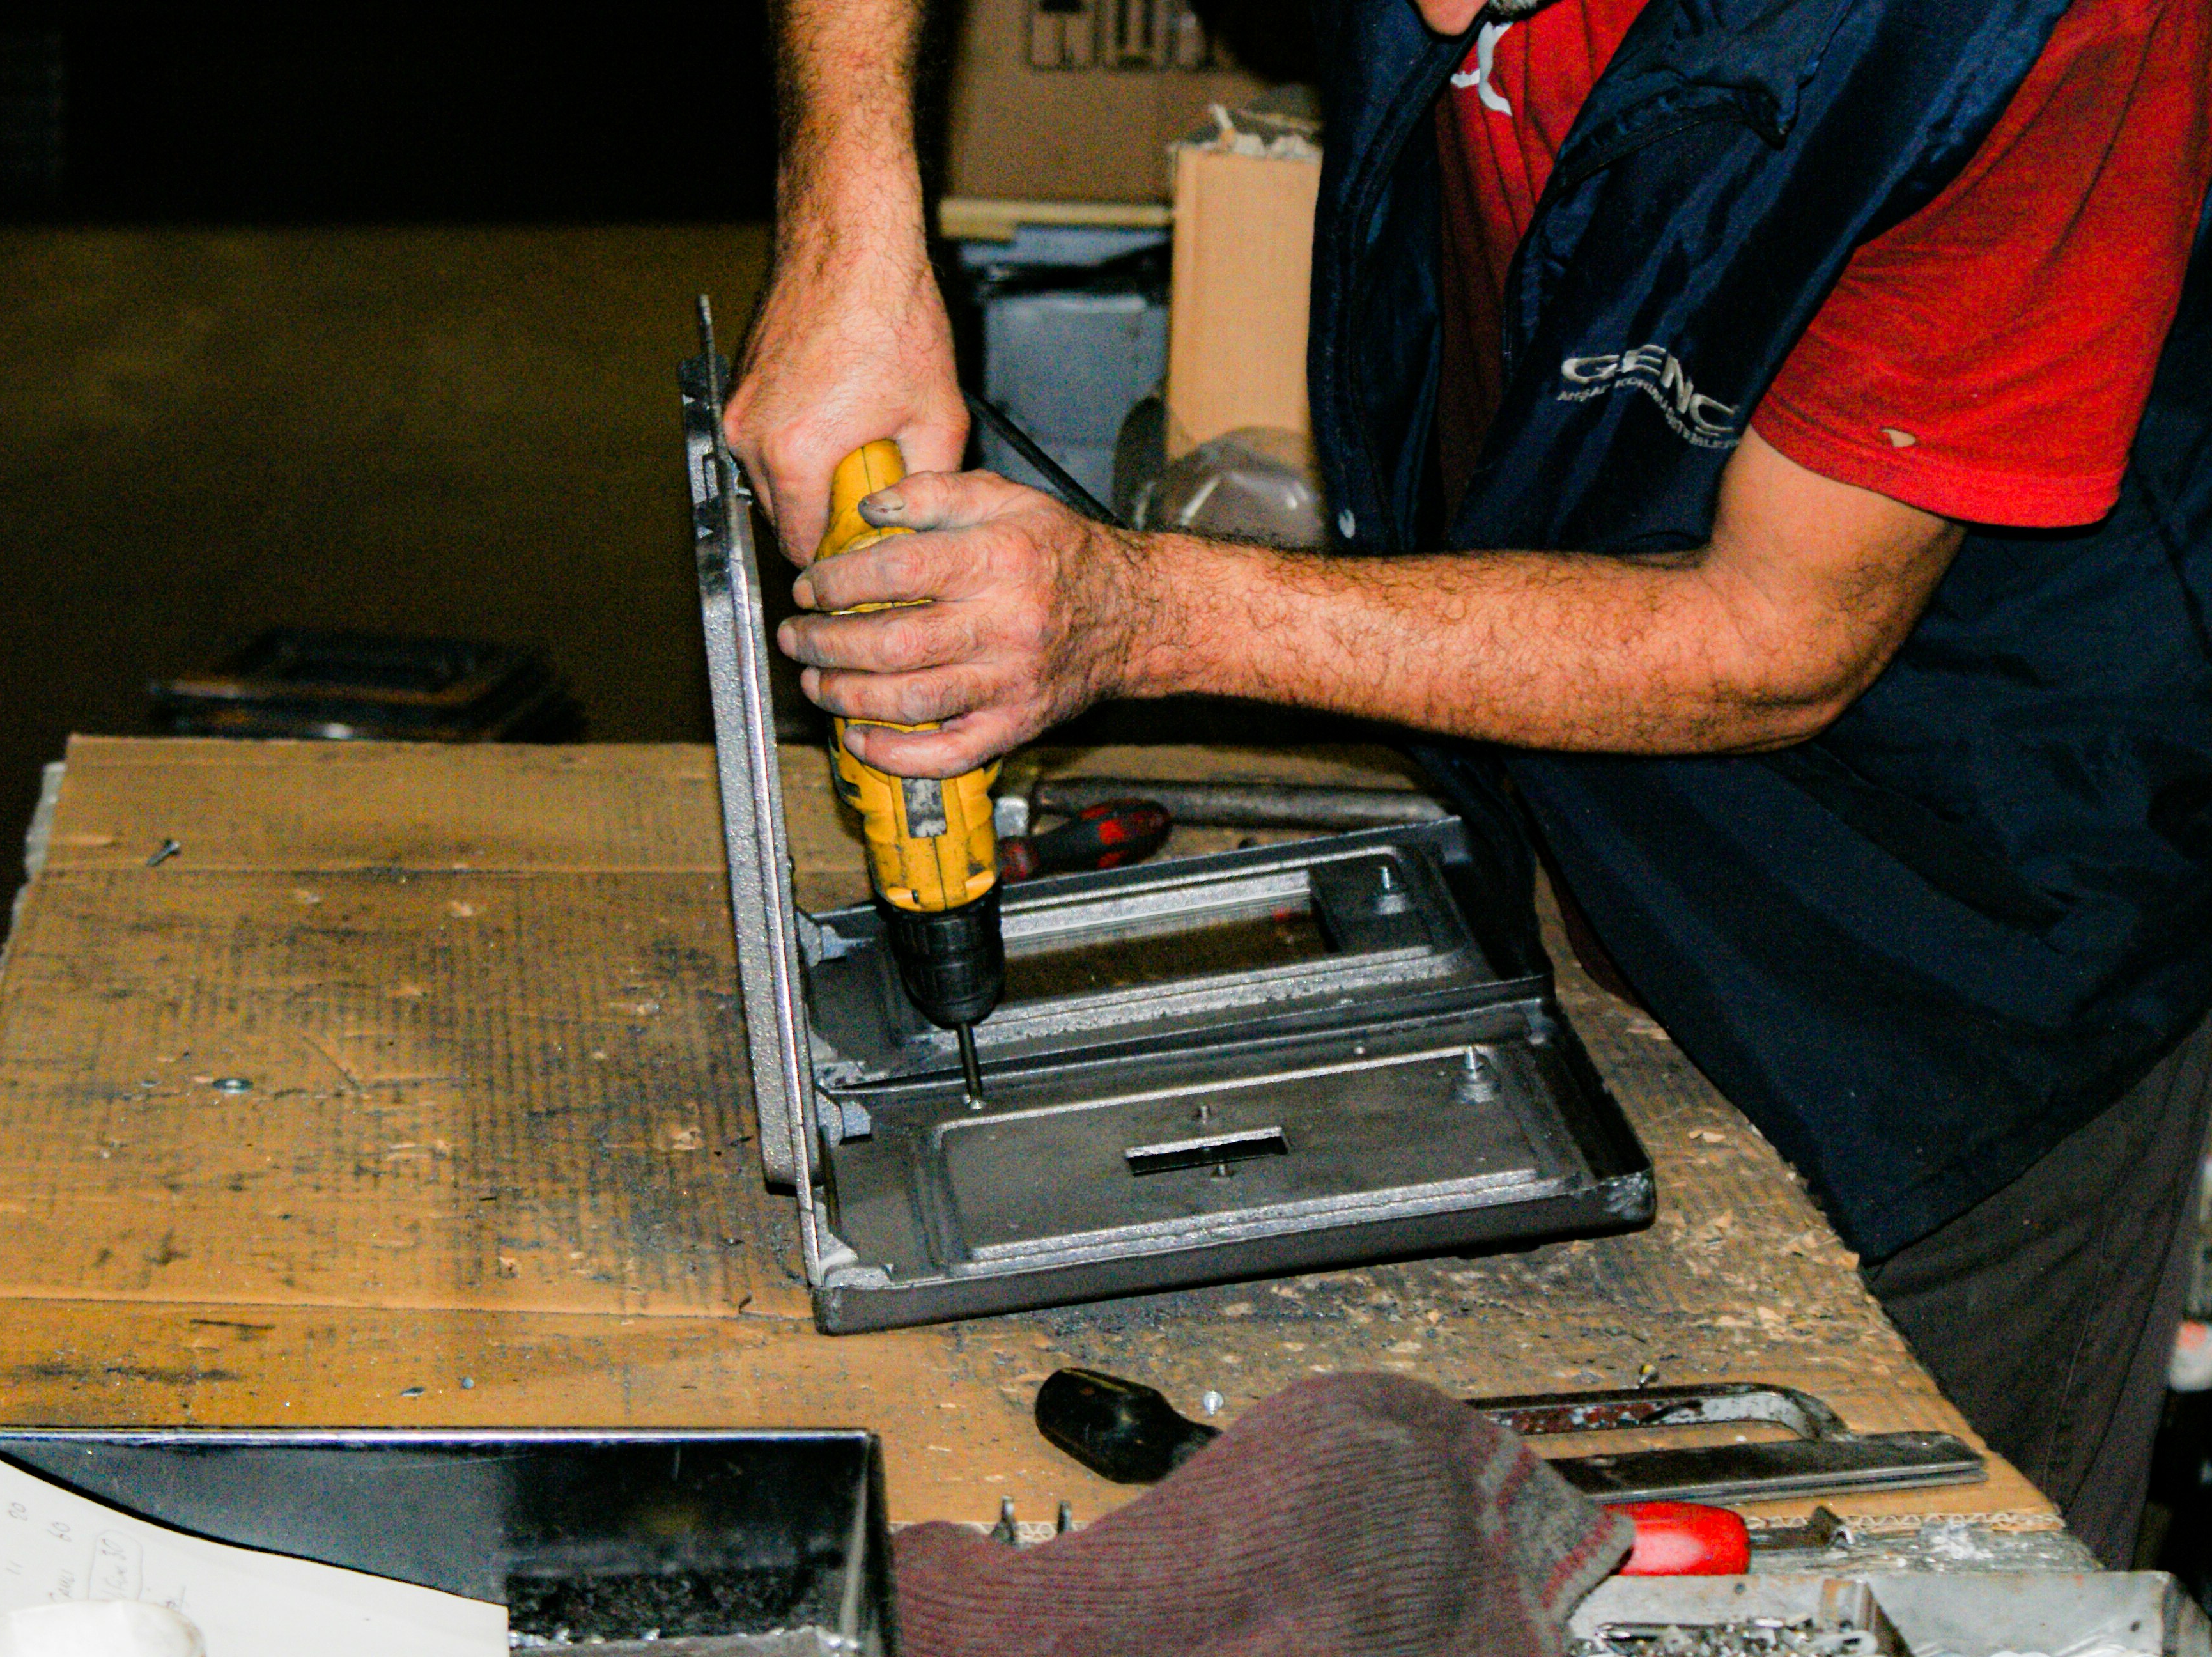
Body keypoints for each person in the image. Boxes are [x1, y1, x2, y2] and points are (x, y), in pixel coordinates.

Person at [727, 0, 2212, 1564]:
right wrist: (852, 215)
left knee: (1911, 1546)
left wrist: (1142, 612)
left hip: (1951, 896)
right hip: (1555, 673)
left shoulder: (2045, 27)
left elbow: (1778, 642)